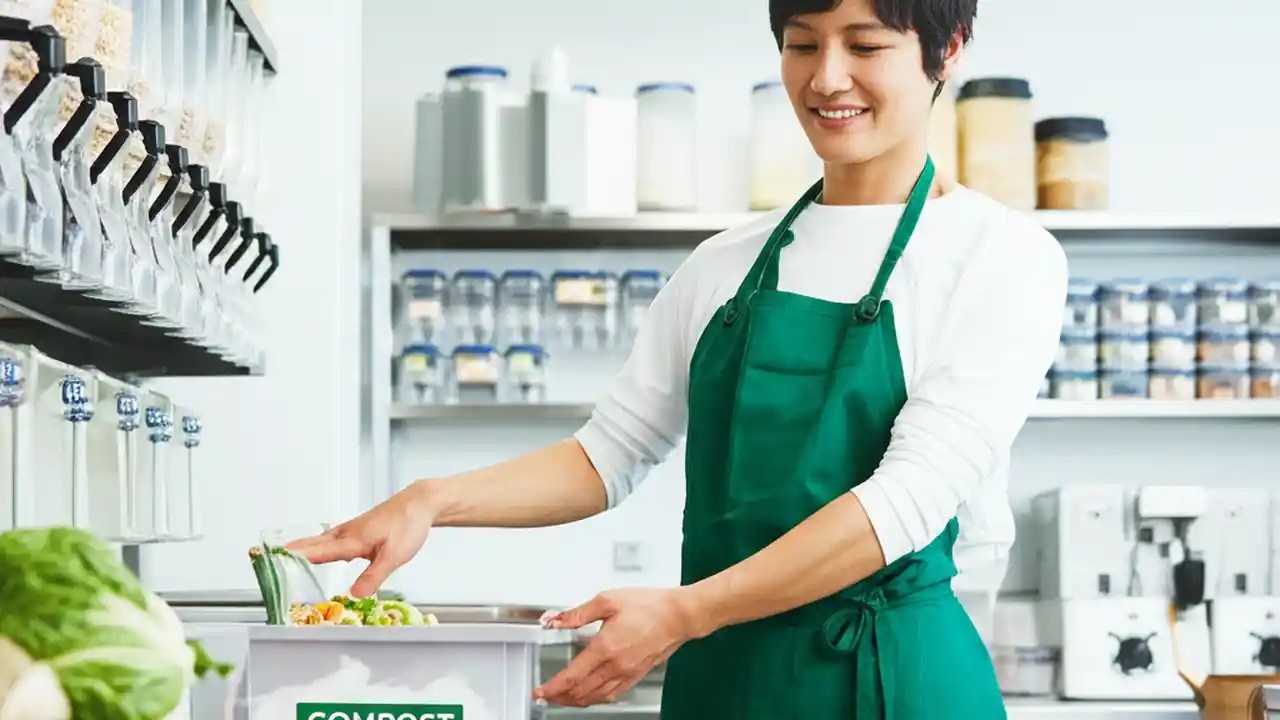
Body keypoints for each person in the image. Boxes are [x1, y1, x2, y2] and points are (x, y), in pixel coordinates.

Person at [290, 0, 1067, 715]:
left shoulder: (1001, 256)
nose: (828, 78)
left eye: (865, 45)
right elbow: (610, 453)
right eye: (802, 45)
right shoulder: (725, 263)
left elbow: (906, 500)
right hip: (723, 679)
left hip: (891, 678)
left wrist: (687, 611)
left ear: (949, 50)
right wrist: (430, 500)